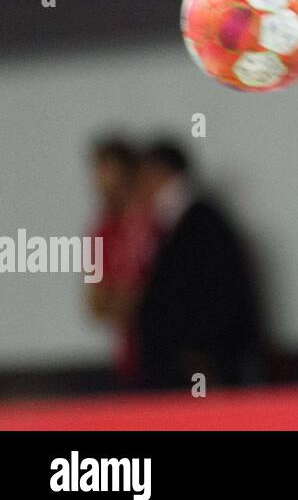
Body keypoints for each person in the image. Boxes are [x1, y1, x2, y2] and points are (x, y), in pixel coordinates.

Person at [133, 141, 266, 389]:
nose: (140, 186)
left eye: (144, 176)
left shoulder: (201, 224)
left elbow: (221, 296)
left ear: (160, 172)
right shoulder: (176, 226)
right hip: (184, 372)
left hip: (203, 371)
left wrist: (199, 356)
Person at [85, 136, 156, 388]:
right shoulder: (102, 232)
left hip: (167, 356)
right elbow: (95, 305)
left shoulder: (155, 224)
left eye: (104, 168)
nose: (97, 180)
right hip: (130, 361)